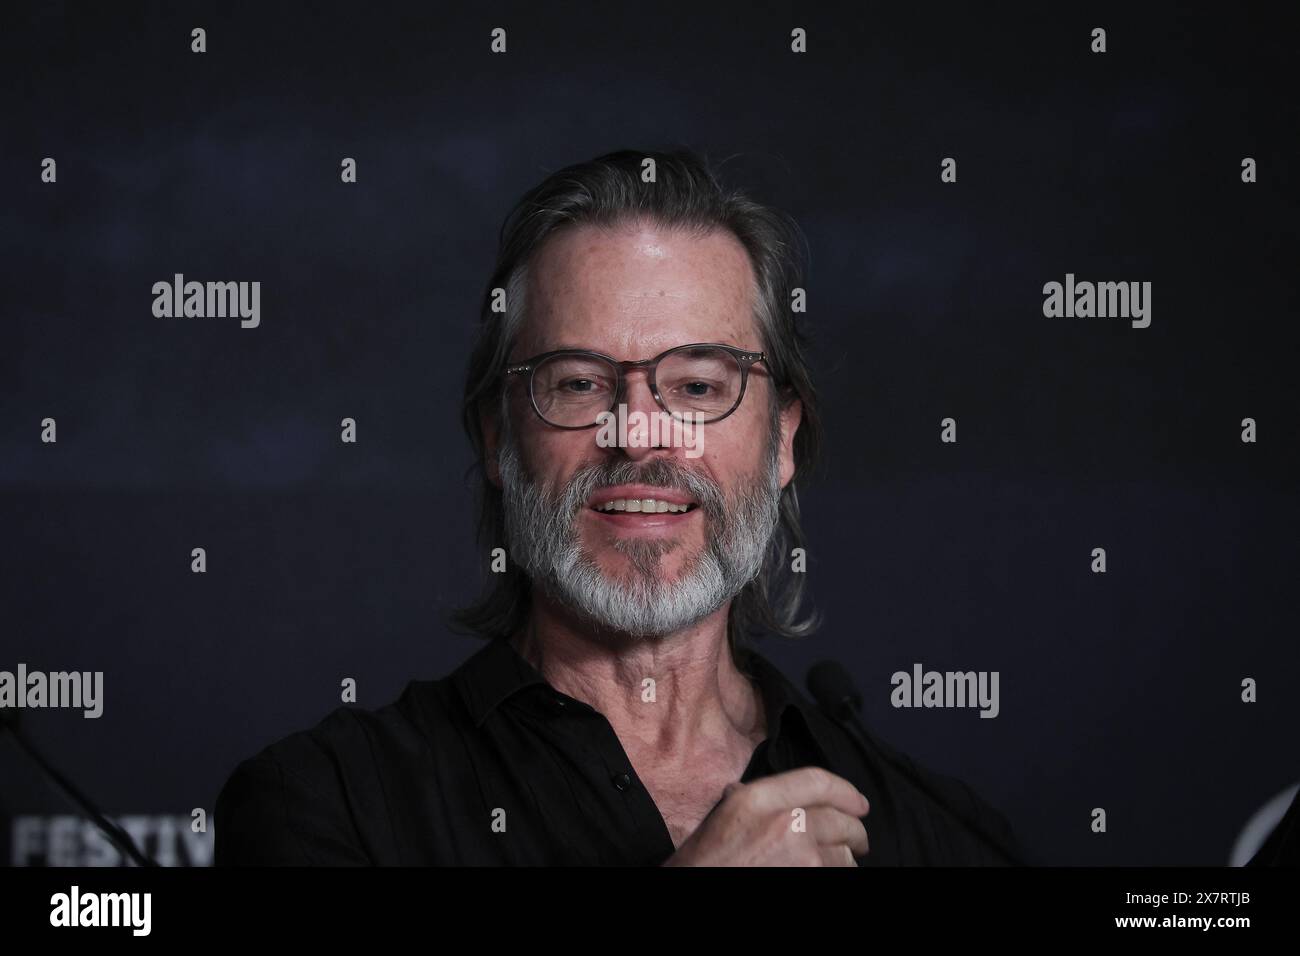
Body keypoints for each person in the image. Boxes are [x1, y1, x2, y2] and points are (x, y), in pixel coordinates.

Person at [215, 148, 1022, 866]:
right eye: (578, 382)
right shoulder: (326, 807)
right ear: (499, 439)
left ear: (781, 440)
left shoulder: (941, 834)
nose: (638, 434)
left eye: (699, 386)